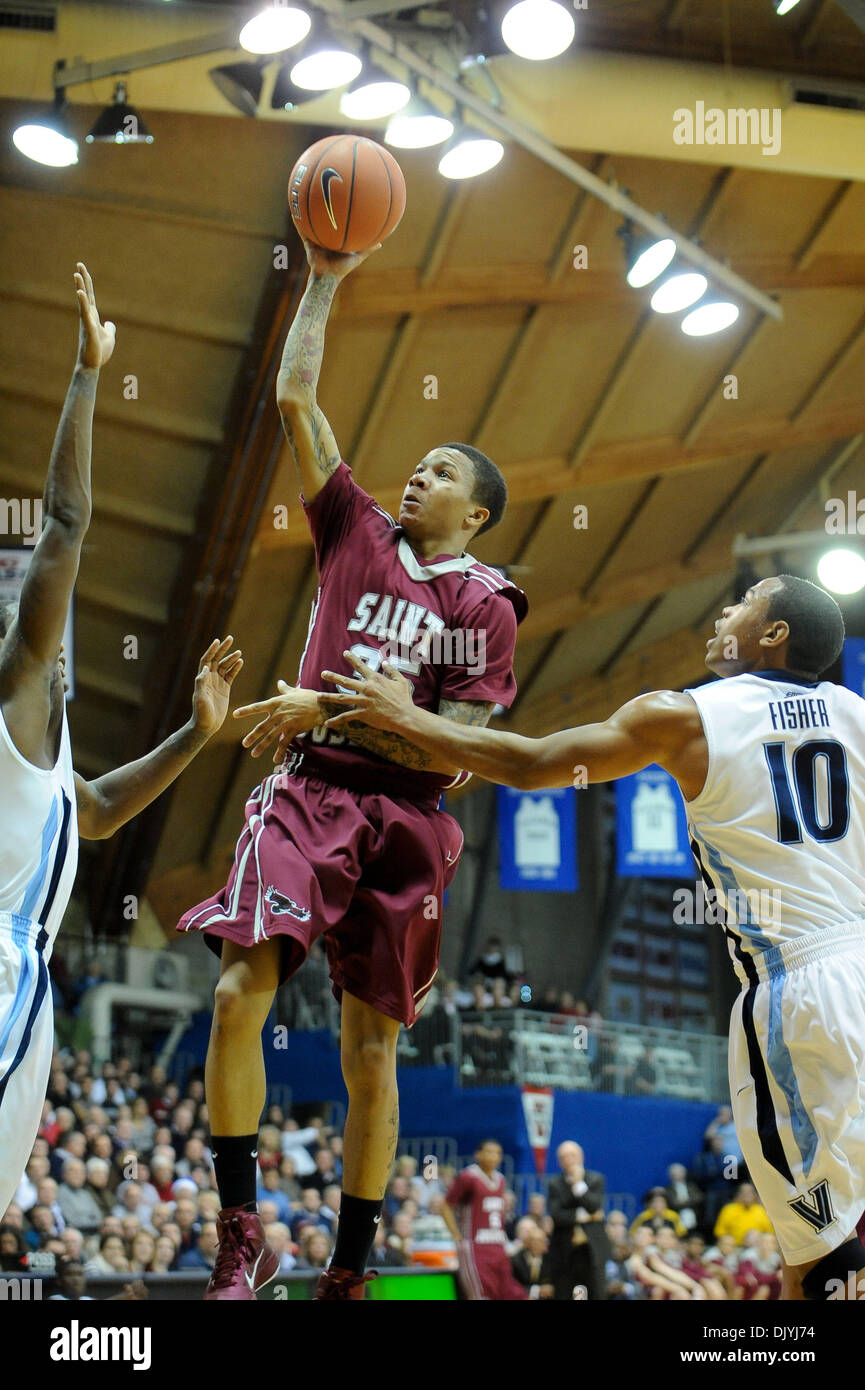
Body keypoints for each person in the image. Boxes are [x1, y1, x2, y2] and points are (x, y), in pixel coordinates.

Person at [320, 573, 864, 1302]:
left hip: (798, 992)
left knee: (817, 1257)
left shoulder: (683, 715)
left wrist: (404, 717)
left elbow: (534, 764)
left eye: (746, 602)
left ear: (772, 635)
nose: (724, 608)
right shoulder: (854, 713)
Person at [176, 237, 525, 1303]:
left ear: (473, 513)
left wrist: (326, 700)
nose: (417, 473)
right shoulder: (357, 531)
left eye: (443, 472)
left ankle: (350, 1271)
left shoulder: (486, 605)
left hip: (409, 819)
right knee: (241, 991)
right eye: (416, 462)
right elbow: (294, 397)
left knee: (372, 1055)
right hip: (311, 789)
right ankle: (242, 1230)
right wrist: (323, 275)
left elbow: (454, 751)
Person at [0, 264, 245, 1224]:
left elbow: (94, 814)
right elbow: (66, 523)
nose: (61, 640)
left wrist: (194, 733)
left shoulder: (45, 759)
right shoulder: (16, 687)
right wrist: (89, 374)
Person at [441, 1140, 527, 1301]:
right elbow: (445, 1206)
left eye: (497, 1153)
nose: (493, 1156)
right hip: (475, 1247)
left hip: (497, 1246)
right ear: (478, 1154)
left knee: (508, 1293)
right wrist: (457, 1235)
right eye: (489, 1152)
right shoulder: (468, 1177)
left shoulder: (500, 1180)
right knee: (480, 1294)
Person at [547, 1140, 609, 1300]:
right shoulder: (554, 1183)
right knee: (564, 1293)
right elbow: (556, 1215)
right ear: (559, 1162)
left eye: (572, 1155)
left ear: (581, 1157)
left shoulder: (595, 1179)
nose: (569, 1160)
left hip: (591, 1249)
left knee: (595, 1293)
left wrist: (578, 1184)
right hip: (565, 1249)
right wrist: (585, 1216)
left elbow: (594, 1206)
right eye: (564, 1157)